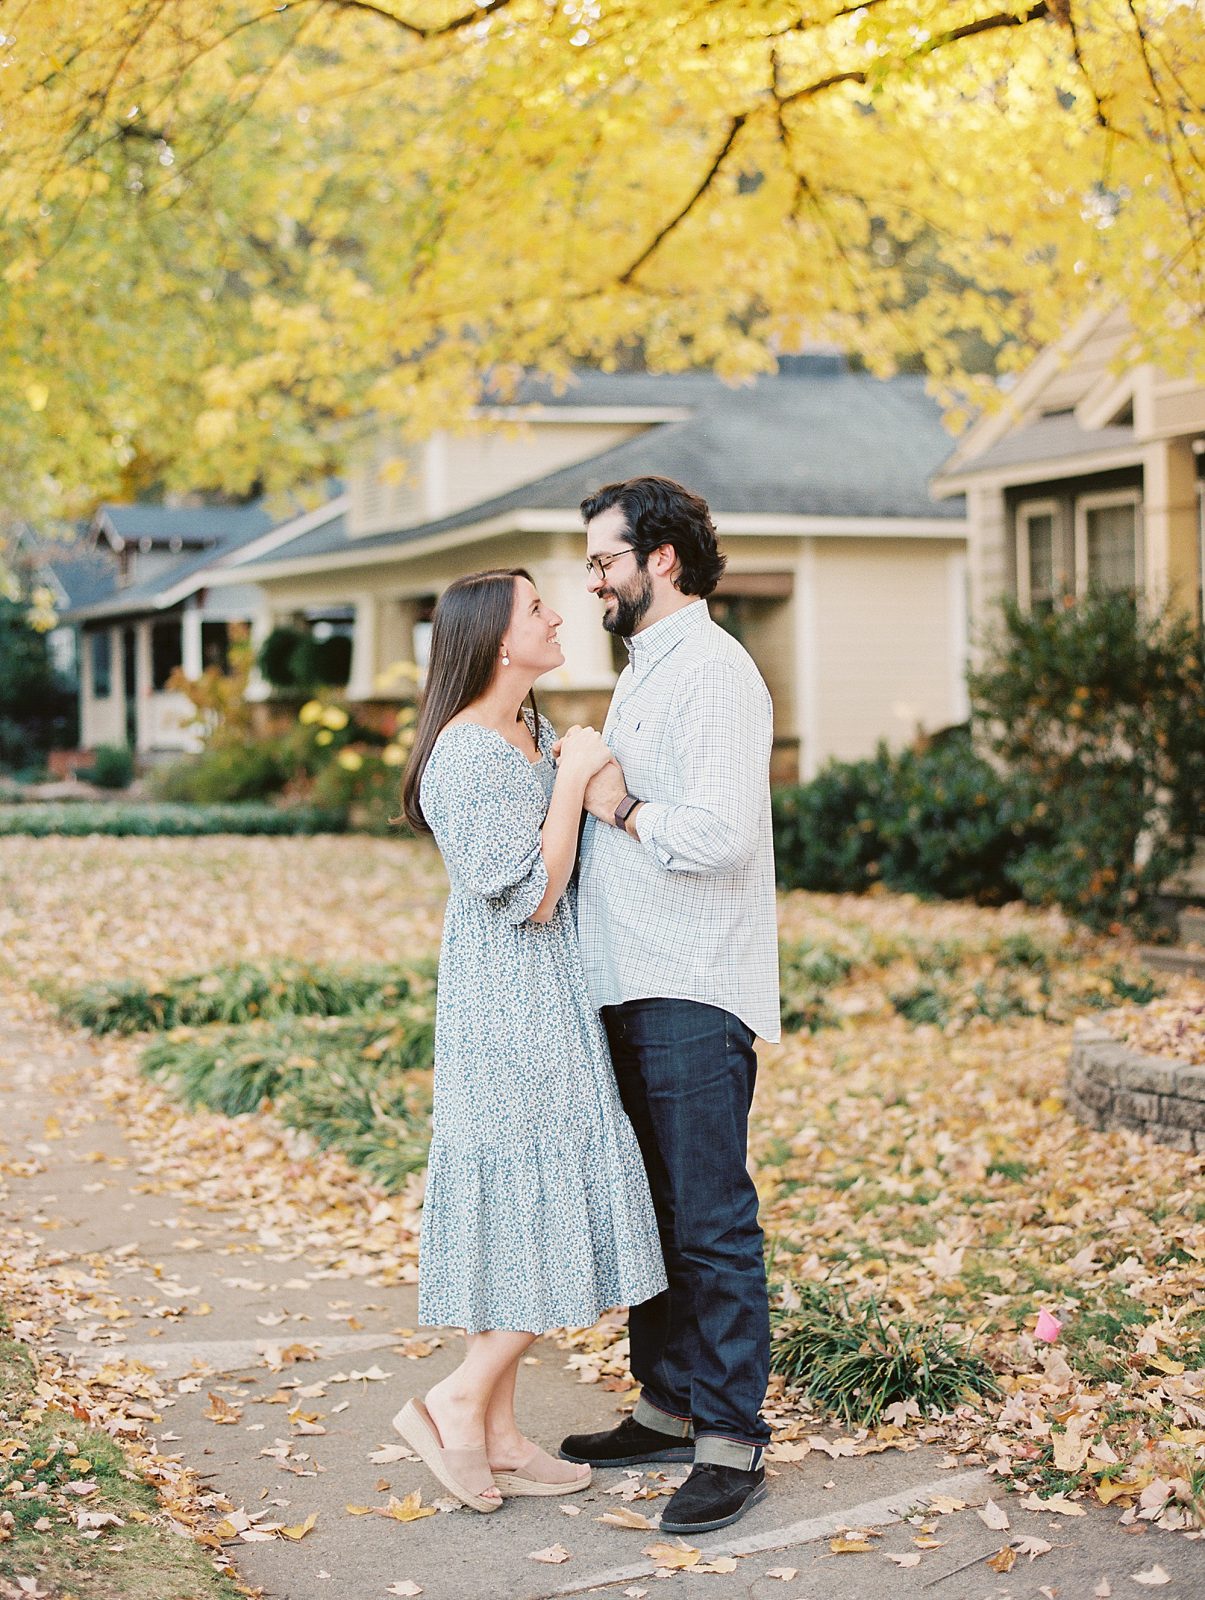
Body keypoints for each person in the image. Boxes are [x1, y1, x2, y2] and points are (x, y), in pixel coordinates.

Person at [395, 567, 666, 1513]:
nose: (556, 615)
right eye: (536, 608)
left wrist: (580, 768)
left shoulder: (531, 729)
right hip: (506, 1009)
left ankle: (500, 1435)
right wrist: (571, 776)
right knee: (538, 1202)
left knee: (540, 1195)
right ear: (498, 641)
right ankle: (455, 1400)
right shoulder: (463, 755)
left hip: (554, 995)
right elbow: (532, 893)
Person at [558, 477, 781, 1536]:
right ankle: (665, 1404)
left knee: (708, 1222)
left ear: (662, 560)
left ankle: (730, 1439)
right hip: (628, 978)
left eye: (603, 558)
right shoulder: (644, 670)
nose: (591, 577)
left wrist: (620, 803)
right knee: (653, 1217)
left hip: (693, 986)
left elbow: (719, 835)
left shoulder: (716, 673)